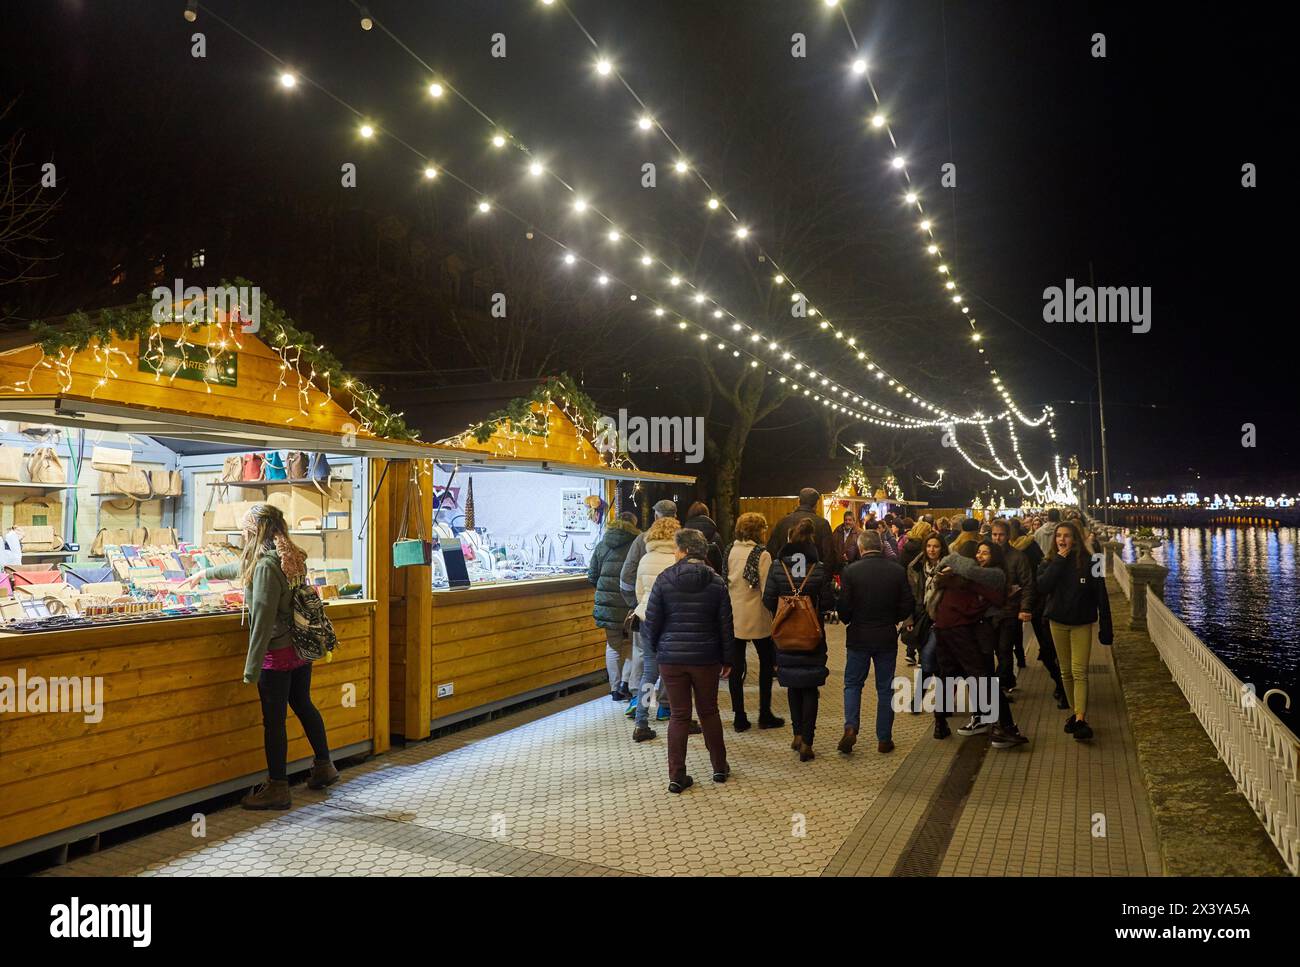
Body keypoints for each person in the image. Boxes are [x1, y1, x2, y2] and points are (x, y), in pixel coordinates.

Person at [180, 503, 335, 809]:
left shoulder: (265, 565)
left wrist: (251, 669)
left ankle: (278, 787)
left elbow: (262, 619)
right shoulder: (289, 555)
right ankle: (324, 765)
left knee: (274, 722)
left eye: (245, 527)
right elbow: (243, 568)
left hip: (277, 654)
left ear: (256, 530)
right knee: (303, 704)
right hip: (300, 649)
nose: (242, 532)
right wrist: (204, 573)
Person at [641, 528, 736, 792]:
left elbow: (652, 622)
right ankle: (719, 768)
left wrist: (657, 650)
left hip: (671, 659)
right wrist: (728, 657)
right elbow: (726, 625)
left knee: (679, 715)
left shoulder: (663, 579)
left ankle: (676, 776)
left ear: (682, 551)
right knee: (709, 712)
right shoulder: (716, 582)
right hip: (706, 658)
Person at [931, 540, 1028, 748]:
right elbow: (988, 601)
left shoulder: (952, 574)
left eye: (984, 553)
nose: (979, 557)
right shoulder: (970, 576)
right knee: (983, 676)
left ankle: (940, 723)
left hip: (942, 629)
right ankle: (1005, 727)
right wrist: (999, 596)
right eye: (977, 553)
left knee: (948, 675)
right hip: (958, 630)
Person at [836, 530, 914, 754]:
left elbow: (843, 608)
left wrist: (848, 619)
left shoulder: (851, 571)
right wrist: (893, 619)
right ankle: (884, 739)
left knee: (852, 685)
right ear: (880, 547)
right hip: (886, 636)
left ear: (861, 548)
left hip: (859, 636)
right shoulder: (897, 571)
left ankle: (851, 727)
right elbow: (907, 604)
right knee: (886, 688)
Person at [762, 518, 833, 761]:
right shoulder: (820, 568)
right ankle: (808, 740)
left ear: (789, 539)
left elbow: (767, 600)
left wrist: (786, 609)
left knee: (793, 684)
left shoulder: (777, 565)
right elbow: (829, 602)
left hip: (785, 634)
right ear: (811, 540)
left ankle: (796, 734)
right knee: (810, 686)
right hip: (812, 634)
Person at [1036, 519, 1113, 741]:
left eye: (1067, 535)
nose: (1062, 539)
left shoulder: (1093, 560)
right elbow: (1043, 586)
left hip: (1081, 622)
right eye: (1059, 536)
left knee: (1079, 671)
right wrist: (1060, 560)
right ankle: (1074, 712)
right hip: (1057, 622)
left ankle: (1080, 717)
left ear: (1075, 538)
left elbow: (1102, 594)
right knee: (1066, 671)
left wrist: (1106, 628)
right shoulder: (1049, 560)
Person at [723, 512, 784, 731]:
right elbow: (768, 588)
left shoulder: (729, 550)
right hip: (757, 616)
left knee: (736, 668)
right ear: (758, 530)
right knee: (767, 665)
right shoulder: (762, 554)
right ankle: (765, 714)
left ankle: (739, 717)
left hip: (734, 616)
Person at [620, 499, 678, 723]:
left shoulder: (642, 549)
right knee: (671, 665)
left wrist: (637, 605)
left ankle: (641, 708)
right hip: (673, 619)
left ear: (655, 517)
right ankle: (665, 705)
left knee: (646, 665)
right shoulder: (680, 549)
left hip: (646, 616)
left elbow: (629, 580)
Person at [630, 515, 682, 741]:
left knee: (649, 673)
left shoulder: (645, 559)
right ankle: (674, 713)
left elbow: (639, 593)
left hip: (646, 619)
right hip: (671, 621)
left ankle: (641, 720)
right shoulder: (677, 559)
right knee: (676, 670)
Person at [587, 511, 641, 702]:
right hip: (630, 603)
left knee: (613, 645)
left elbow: (592, 575)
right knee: (632, 644)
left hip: (608, 604)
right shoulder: (637, 544)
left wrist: (604, 592)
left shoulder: (603, 544)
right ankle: (627, 684)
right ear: (634, 524)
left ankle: (614, 689)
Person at [905, 531, 949, 729]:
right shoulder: (916, 568)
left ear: (942, 548)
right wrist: (909, 619)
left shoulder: (948, 568)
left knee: (929, 658)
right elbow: (911, 595)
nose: (932, 550)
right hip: (922, 618)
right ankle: (942, 705)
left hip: (942, 620)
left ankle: (920, 700)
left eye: (936, 546)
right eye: (929, 546)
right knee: (935, 662)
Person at [989, 518, 1033, 694]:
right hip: (991, 612)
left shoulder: (1017, 557)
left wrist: (1025, 608)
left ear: (1008, 536)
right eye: (994, 534)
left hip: (1010, 611)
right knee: (996, 651)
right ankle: (1007, 680)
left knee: (1005, 649)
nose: (997, 538)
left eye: (1000, 535)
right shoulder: (987, 555)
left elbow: (1028, 583)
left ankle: (997, 687)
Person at [767, 487, 840, 575]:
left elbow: (772, 550)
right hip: (814, 578)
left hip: (786, 578)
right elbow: (829, 555)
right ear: (816, 504)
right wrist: (825, 580)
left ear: (799, 501)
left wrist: (780, 575)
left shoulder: (782, 522)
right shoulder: (822, 524)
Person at [683, 501, 725, 573]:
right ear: (707, 514)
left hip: (686, 576)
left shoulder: (683, 536)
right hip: (712, 578)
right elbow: (721, 563)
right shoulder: (716, 536)